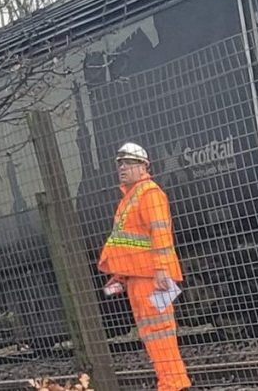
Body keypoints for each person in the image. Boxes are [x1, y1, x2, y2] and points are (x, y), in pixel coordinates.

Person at [97, 142, 192, 391]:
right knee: (152, 333)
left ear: (144, 167)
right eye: (120, 163)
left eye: (129, 162)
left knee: (159, 331)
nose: (123, 167)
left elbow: (160, 234)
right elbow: (126, 243)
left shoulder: (149, 194)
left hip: (152, 277)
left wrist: (161, 270)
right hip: (139, 277)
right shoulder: (131, 198)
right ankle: (173, 382)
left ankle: (172, 384)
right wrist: (120, 274)